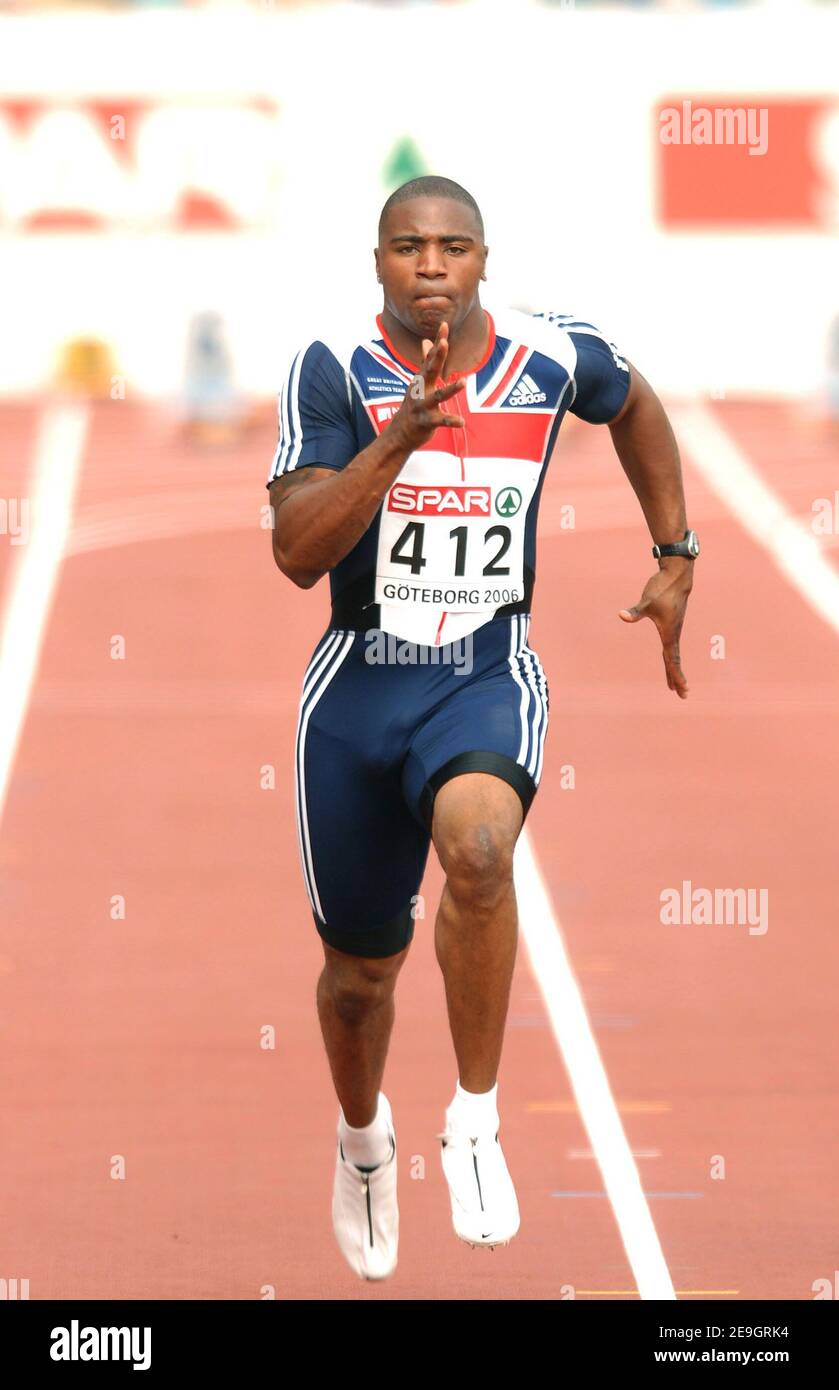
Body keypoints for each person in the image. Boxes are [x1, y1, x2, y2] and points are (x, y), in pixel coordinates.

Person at [266, 175, 697, 1281]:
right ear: (377, 264)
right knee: (359, 978)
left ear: (481, 263)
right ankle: (363, 1141)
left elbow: (634, 399)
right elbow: (296, 550)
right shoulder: (331, 367)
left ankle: (472, 1118)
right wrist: (393, 443)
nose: (428, 265)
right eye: (406, 246)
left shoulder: (550, 356)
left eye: (451, 247)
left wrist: (673, 554)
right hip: (359, 682)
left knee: (476, 849)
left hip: (480, 672)